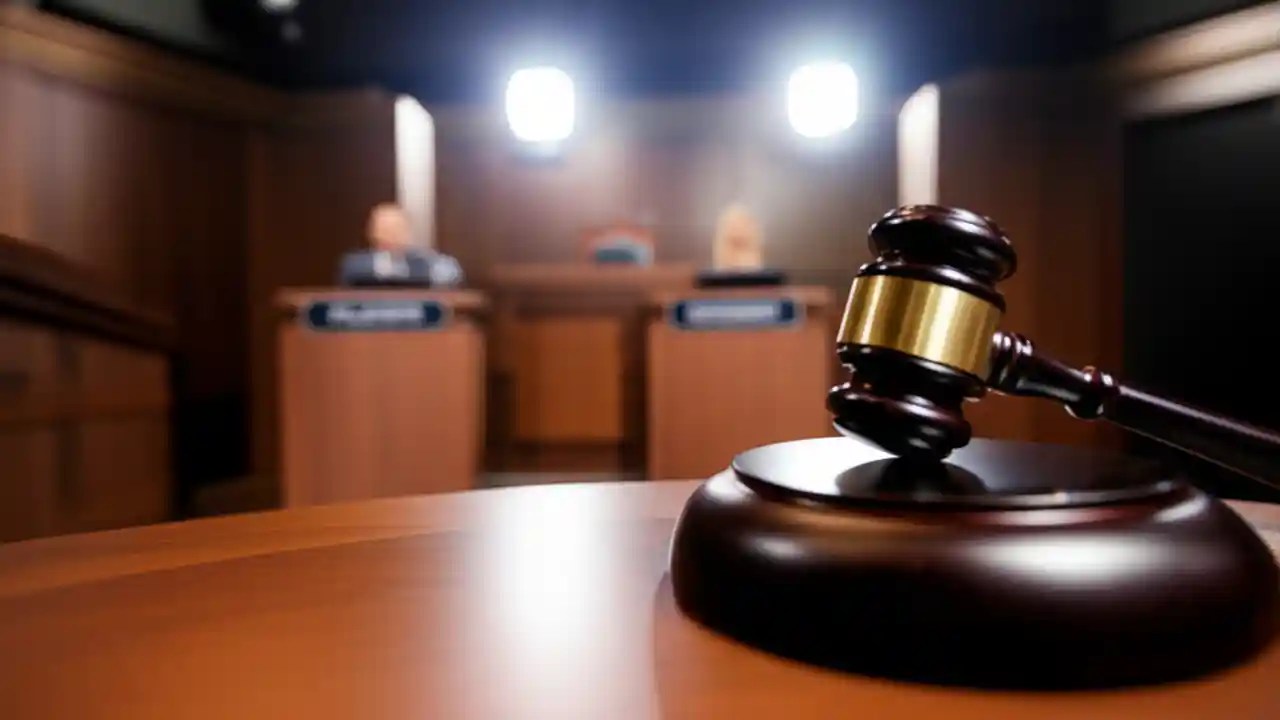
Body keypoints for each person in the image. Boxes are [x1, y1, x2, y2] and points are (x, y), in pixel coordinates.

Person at [338, 203, 464, 287]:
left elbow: (452, 273)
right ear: (371, 232)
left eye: (397, 229)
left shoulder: (423, 260)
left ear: (407, 233)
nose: (390, 235)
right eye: (384, 229)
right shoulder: (354, 263)